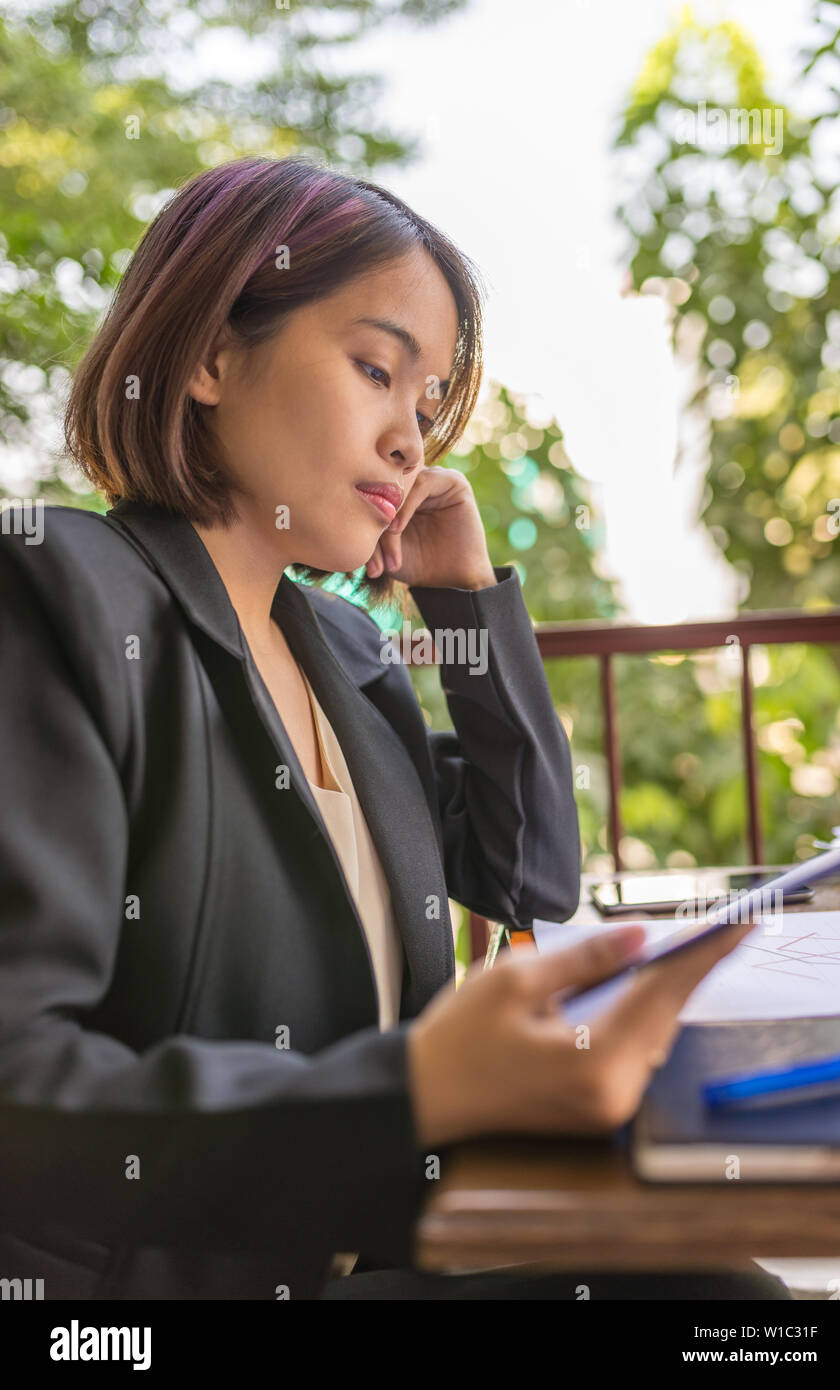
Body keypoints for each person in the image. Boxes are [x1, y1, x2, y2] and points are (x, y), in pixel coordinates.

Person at [0, 155, 788, 1301]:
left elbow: (527, 873)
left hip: (356, 1259)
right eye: (377, 369)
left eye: (426, 404)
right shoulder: (63, 594)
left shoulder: (344, 651)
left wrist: (466, 603)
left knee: (730, 1297)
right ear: (214, 351)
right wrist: (418, 1089)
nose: (413, 438)